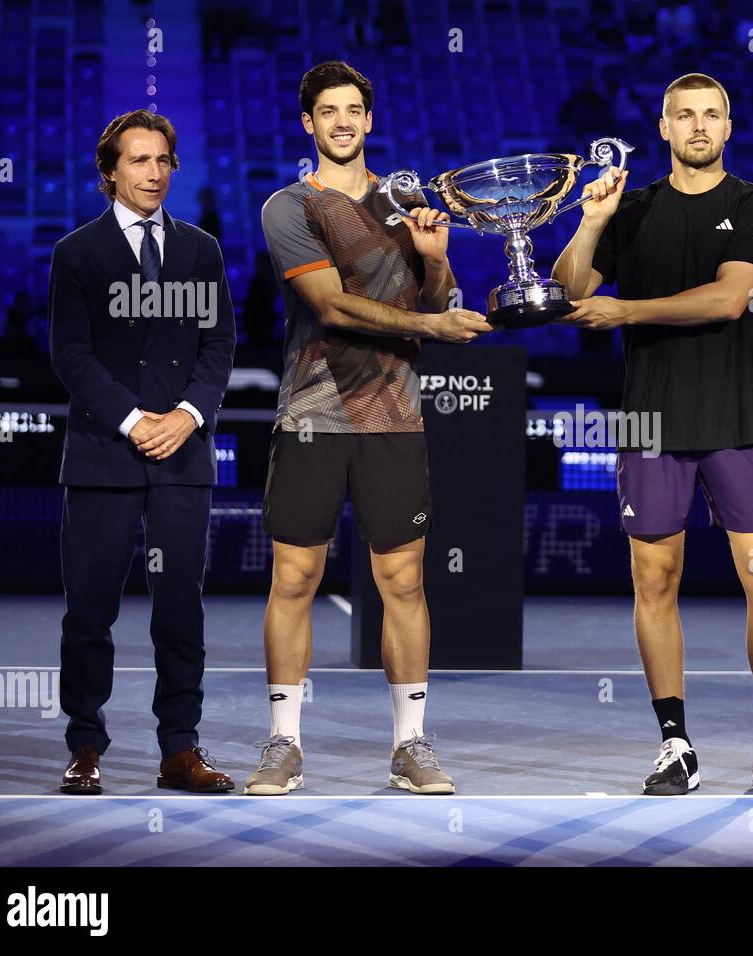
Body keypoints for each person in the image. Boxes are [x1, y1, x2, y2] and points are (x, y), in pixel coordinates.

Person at [552, 73, 753, 796]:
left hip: (738, 416)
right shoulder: (630, 212)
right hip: (650, 422)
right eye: (684, 115)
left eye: (712, 115)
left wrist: (626, 310)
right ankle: (674, 743)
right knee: (654, 581)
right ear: (662, 128)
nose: (699, 126)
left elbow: (731, 298)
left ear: (729, 128)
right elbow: (567, 292)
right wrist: (593, 221)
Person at [248, 61, 491, 796]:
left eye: (354, 109)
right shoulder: (289, 207)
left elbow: (440, 296)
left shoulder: (407, 202)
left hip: (394, 418)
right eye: (329, 111)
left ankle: (410, 745)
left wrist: (437, 262)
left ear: (370, 120)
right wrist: (433, 322)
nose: (343, 122)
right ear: (309, 125)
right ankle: (283, 744)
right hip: (312, 416)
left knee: (404, 582)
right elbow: (331, 306)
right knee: (294, 579)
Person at [49, 109, 237, 794]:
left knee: (180, 608)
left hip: (183, 457)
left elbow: (218, 347)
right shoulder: (77, 254)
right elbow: (70, 353)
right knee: (90, 609)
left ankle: (179, 749)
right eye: (139, 161)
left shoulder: (202, 251)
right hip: (104, 456)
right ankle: (84, 745)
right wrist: (134, 420)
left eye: (163, 160)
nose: (155, 172)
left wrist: (188, 415)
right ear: (110, 172)